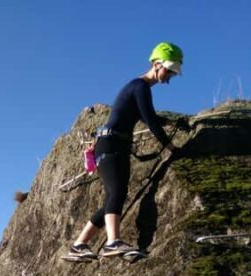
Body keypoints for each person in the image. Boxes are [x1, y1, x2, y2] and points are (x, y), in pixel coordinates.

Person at [68, 42, 184, 260]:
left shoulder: (138, 88)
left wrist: (174, 122)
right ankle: (112, 243)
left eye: (173, 72)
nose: (170, 75)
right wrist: (170, 147)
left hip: (112, 144)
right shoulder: (139, 86)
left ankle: (79, 245)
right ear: (156, 64)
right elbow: (150, 120)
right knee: (117, 193)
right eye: (169, 70)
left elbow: (146, 116)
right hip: (111, 144)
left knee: (114, 197)